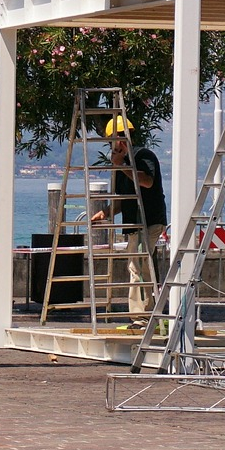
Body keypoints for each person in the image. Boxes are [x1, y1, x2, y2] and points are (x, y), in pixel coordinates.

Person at [89, 117, 166, 318]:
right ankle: (146, 313)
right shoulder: (121, 166)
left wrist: (122, 164)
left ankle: (140, 316)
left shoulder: (143, 156)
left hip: (148, 220)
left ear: (122, 139)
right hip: (134, 223)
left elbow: (147, 182)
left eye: (113, 141)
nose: (112, 146)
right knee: (140, 266)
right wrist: (105, 212)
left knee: (137, 266)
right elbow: (122, 199)